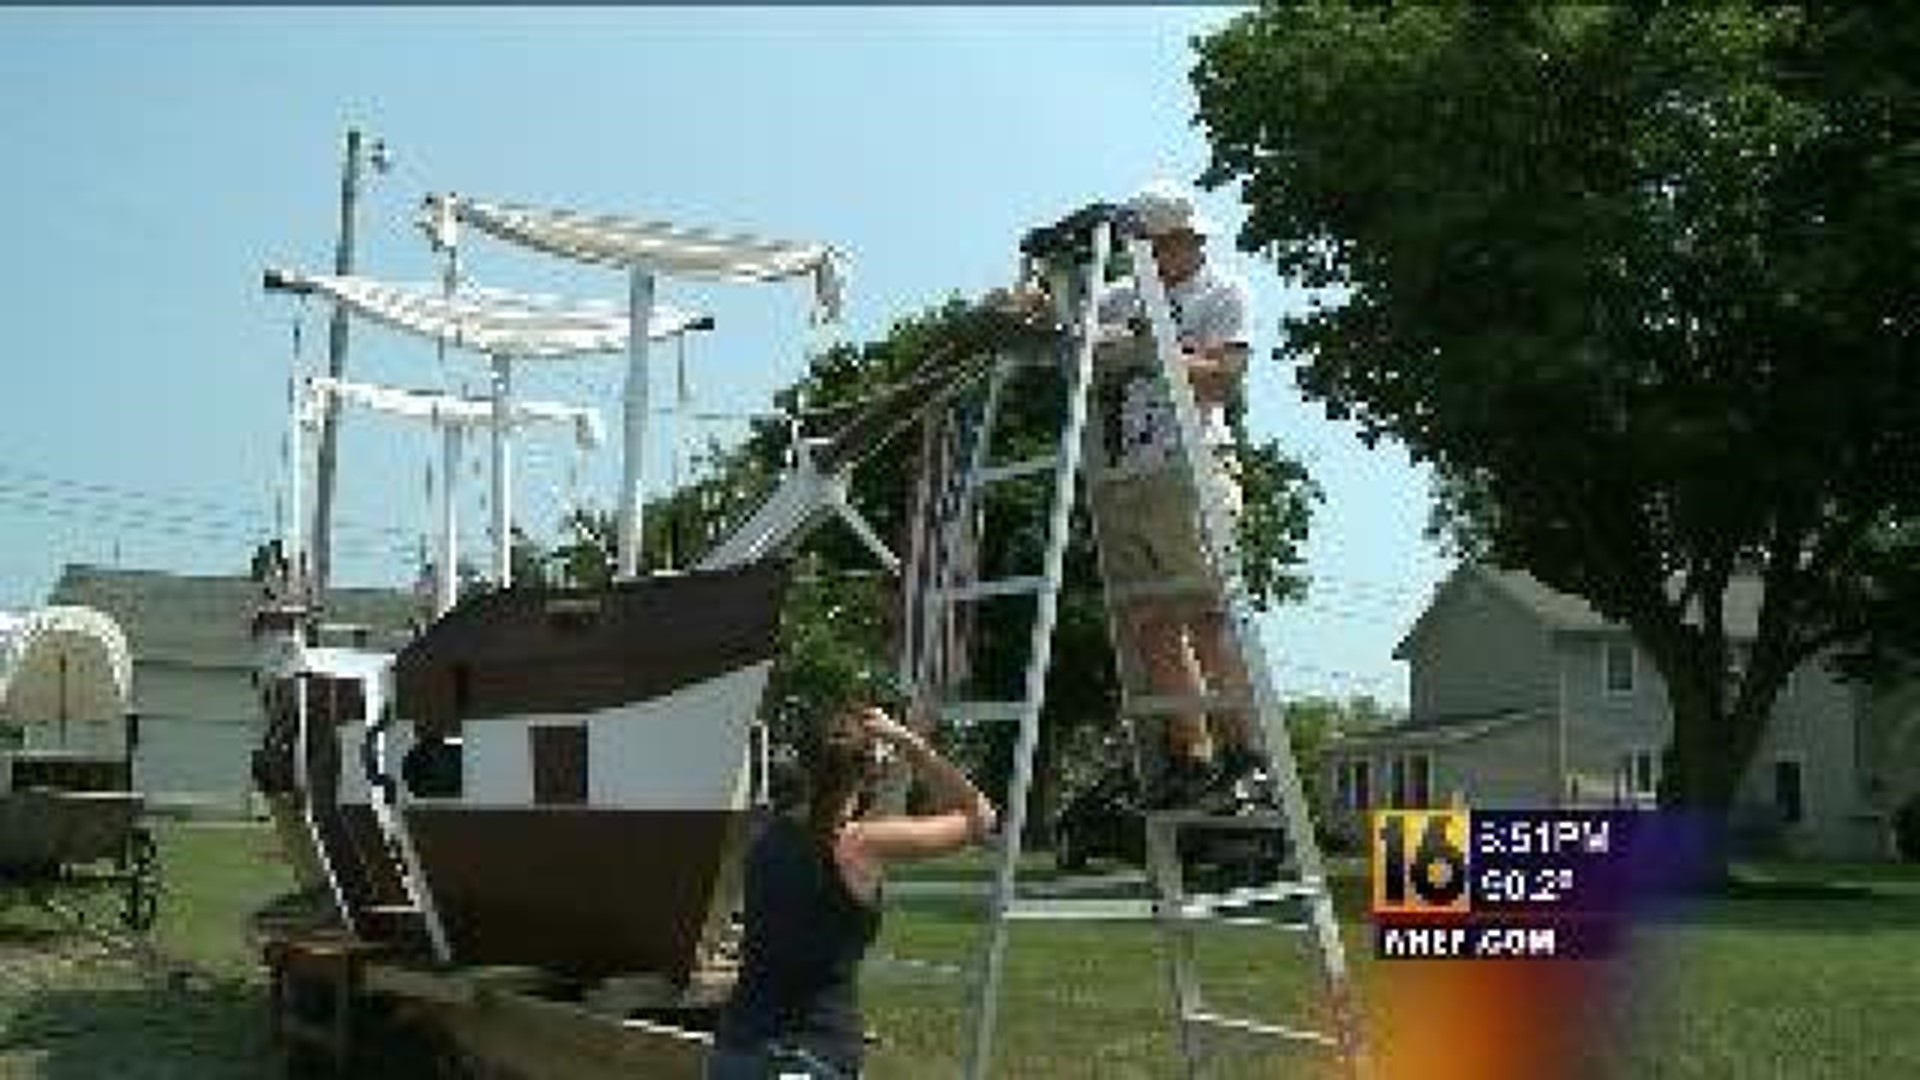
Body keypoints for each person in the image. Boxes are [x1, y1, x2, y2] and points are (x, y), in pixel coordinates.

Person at [708, 704, 997, 1079]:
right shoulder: (863, 845)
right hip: (811, 1055)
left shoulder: (764, 835)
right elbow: (981, 815)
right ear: (871, 772)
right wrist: (909, 742)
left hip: (736, 1050)